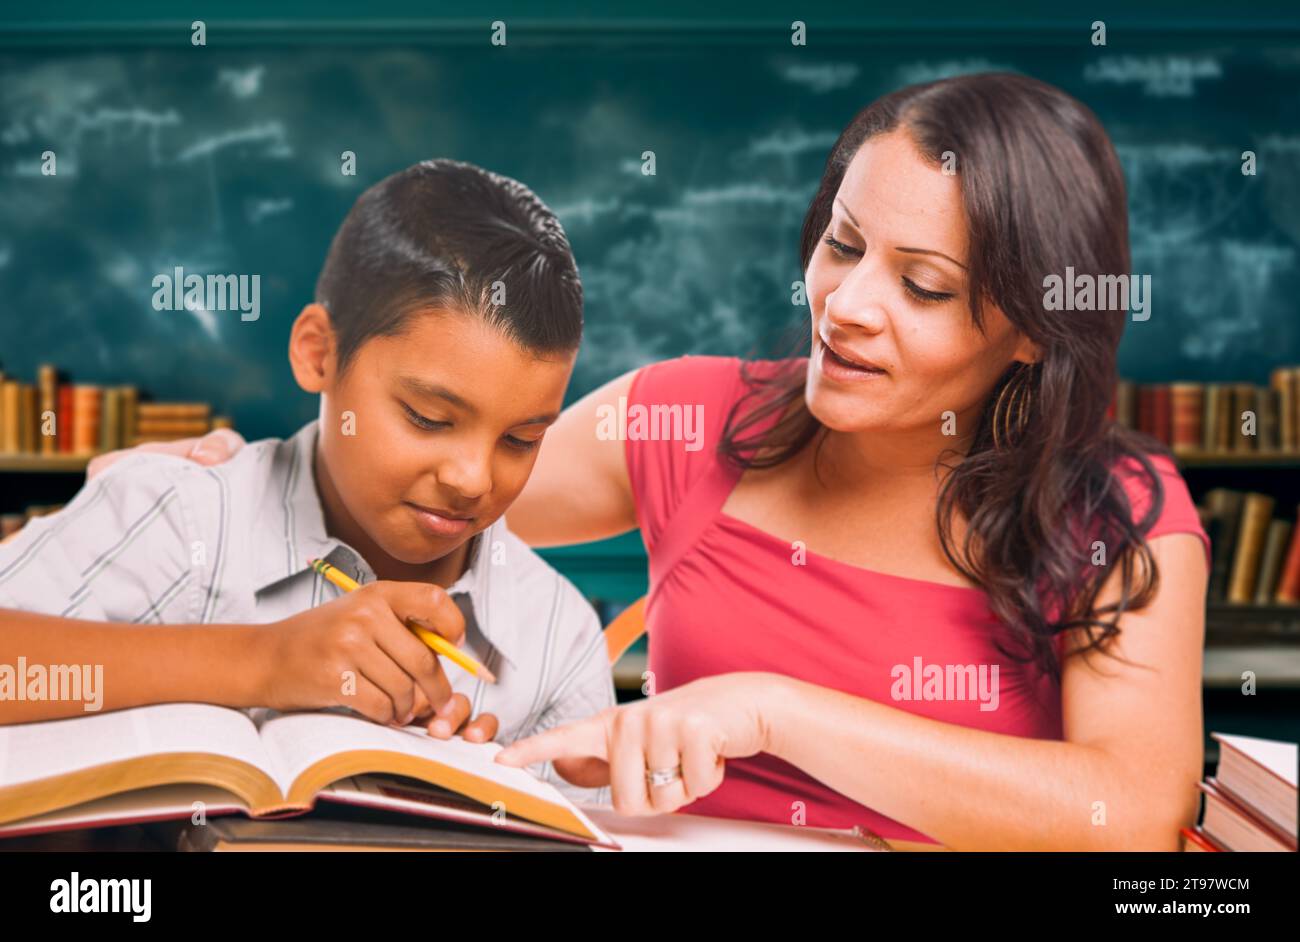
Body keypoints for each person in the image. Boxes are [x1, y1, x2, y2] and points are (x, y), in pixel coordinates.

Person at [0, 160, 614, 802]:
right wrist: (260, 661)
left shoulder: (557, 638)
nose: (471, 479)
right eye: (428, 418)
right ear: (319, 353)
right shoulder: (179, 515)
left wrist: (471, 805)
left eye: (522, 440)